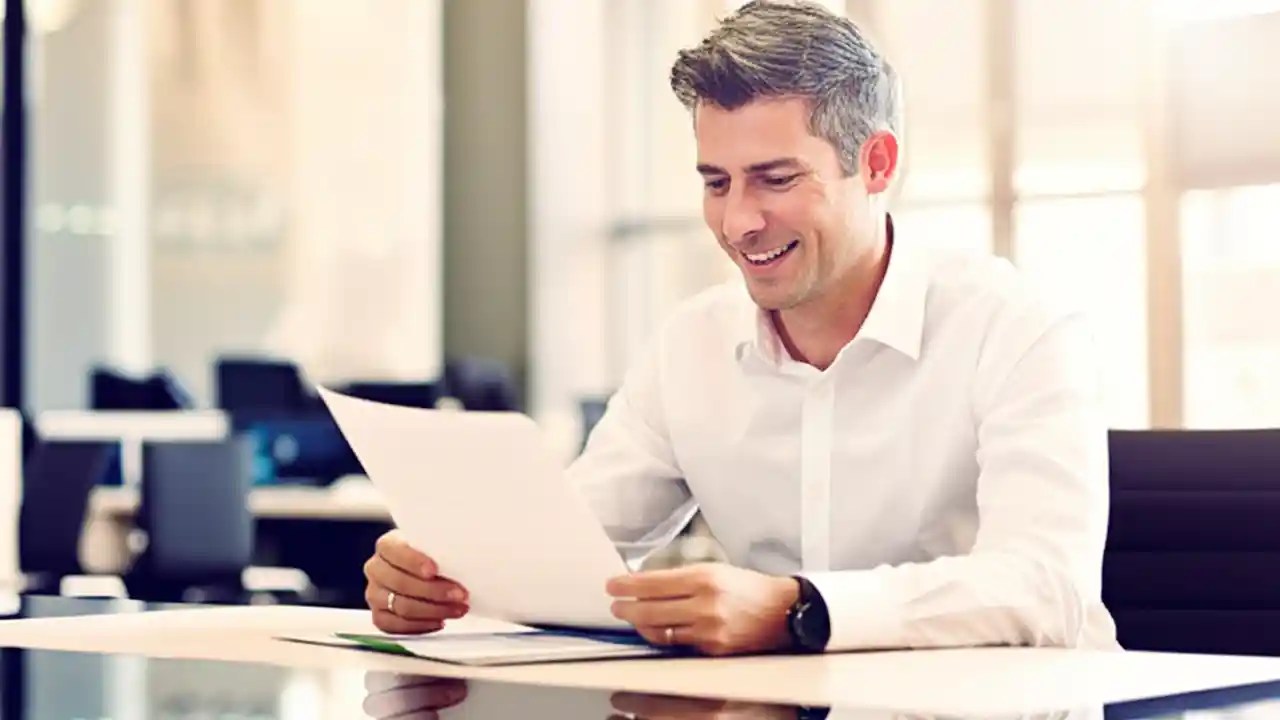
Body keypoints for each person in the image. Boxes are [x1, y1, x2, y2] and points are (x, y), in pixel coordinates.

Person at [362, 0, 1118, 656]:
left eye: (776, 179)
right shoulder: (691, 347)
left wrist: (799, 609)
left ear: (878, 163)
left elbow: (1046, 585)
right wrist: (446, 570)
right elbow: (568, 549)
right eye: (716, 182)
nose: (738, 221)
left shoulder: (1016, 329)